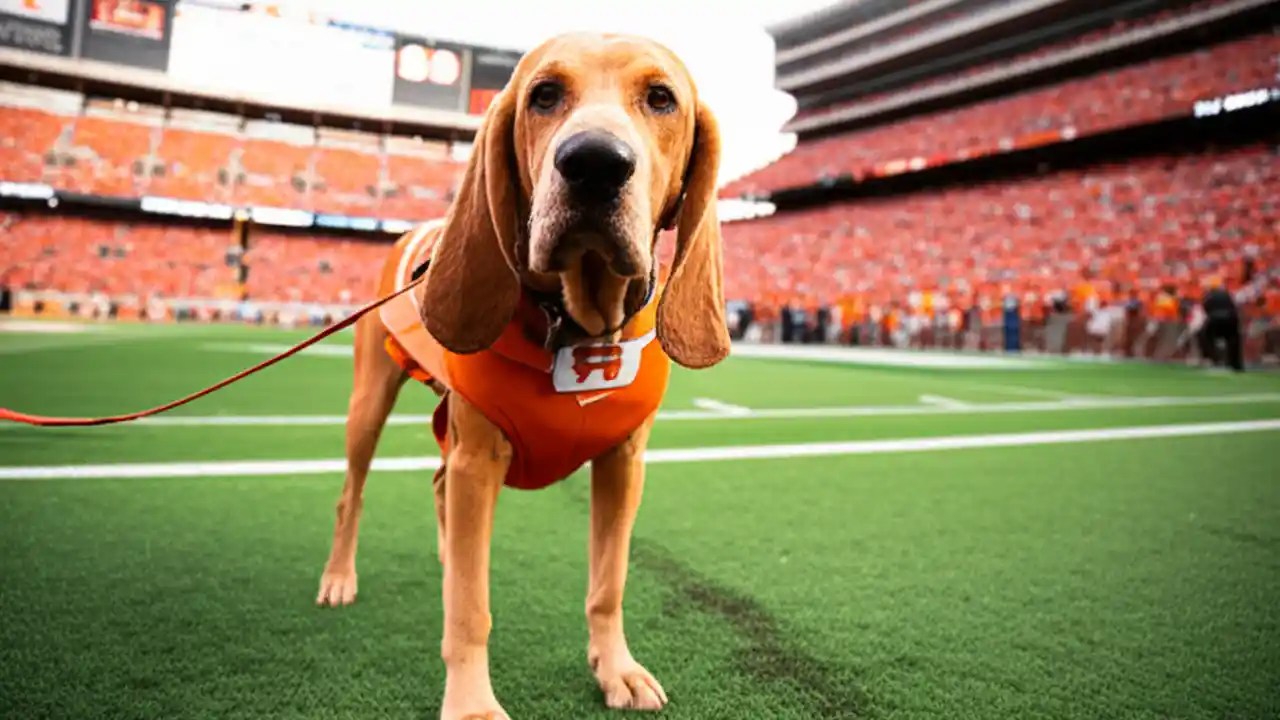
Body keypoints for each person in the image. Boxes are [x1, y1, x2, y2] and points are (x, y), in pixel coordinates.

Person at [1202, 281, 1243, 371]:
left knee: (1207, 338)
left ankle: (1215, 360)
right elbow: (1234, 307)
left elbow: (1206, 307)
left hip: (1215, 319)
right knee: (1233, 340)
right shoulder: (1228, 294)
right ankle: (1235, 364)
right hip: (1231, 319)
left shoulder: (1209, 295)